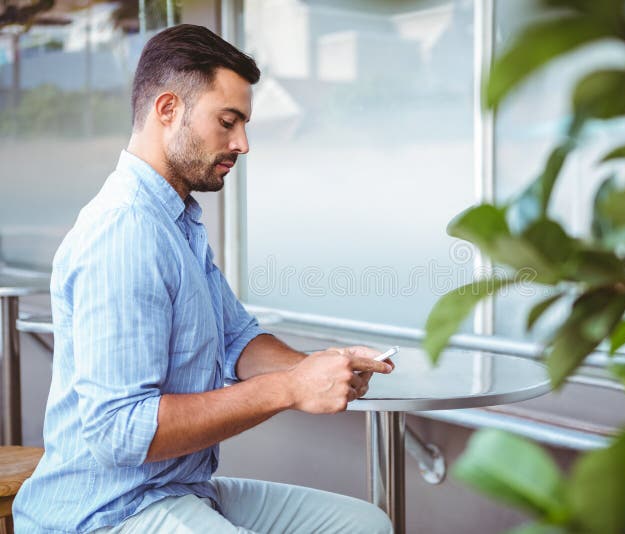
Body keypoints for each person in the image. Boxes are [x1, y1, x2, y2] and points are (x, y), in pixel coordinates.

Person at [13, 24, 394, 533]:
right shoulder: (125, 233)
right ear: (168, 110)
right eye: (228, 122)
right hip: (106, 512)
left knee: (361, 525)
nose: (243, 143)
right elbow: (119, 432)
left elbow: (237, 339)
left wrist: (322, 367)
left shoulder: (177, 219)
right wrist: (289, 389)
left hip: (178, 488)